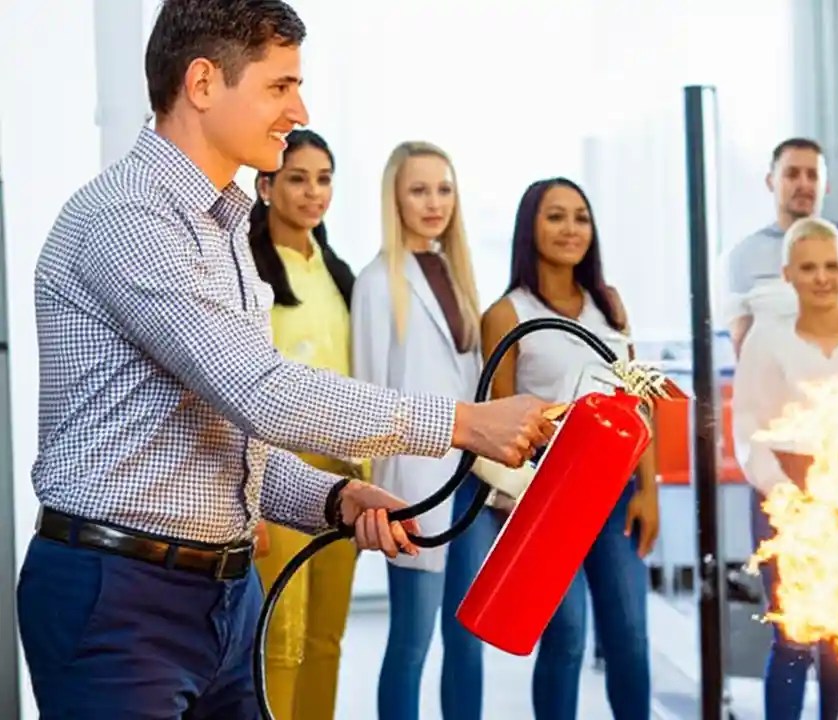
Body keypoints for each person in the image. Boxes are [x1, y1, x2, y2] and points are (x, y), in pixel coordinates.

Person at [14, 2, 553, 717]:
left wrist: (332, 498)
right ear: (203, 83)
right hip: (122, 598)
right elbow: (262, 392)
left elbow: (222, 437)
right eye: (280, 86)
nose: (299, 109)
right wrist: (463, 422)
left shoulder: (224, 228)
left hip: (224, 597)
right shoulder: (130, 218)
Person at [439, 177, 659, 720]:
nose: (570, 229)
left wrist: (649, 488)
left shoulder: (610, 306)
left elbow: (638, 402)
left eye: (581, 217)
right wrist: (523, 504)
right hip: (549, 498)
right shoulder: (507, 314)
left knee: (629, 634)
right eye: (555, 216)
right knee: (567, 636)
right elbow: (500, 420)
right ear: (529, 227)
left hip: (615, 494)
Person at [732, 216, 838, 720]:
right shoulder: (766, 338)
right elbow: (750, 433)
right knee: (792, 633)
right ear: (787, 275)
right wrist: (789, 500)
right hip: (785, 488)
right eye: (808, 268)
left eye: (832, 266)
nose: (823, 278)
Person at [351, 140, 484, 720]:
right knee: (411, 642)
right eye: (419, 190)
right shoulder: (378, 282)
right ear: (395, 198)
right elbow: (369, 396)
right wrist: (380, 496)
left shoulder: (459, 276)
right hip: (414, 484)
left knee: (468, 636)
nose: (434, 203)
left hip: (469, 480)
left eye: (444, 189)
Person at [247, 127, 362, 720]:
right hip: (277, 480)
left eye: (323, 179)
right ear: (265, 185)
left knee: (326, 639)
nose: (313, 192)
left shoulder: (339, 275)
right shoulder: (249, 274)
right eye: (297, 178)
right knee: (281, 640)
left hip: (342, 481)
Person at [718, 137, 838, 357]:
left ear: (826, 185)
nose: (804, 184)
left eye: (813, 175)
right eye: (792, 174)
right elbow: (742, 345)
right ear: (771, 181)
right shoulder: (742, 256)